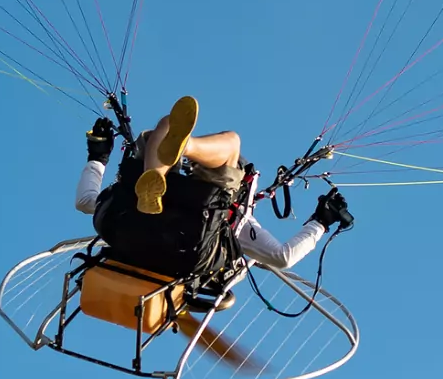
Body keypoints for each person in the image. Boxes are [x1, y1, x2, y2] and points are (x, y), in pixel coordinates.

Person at [73, 95, 353, 273]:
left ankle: (157, 169)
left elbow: (85, 201)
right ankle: (188, 147)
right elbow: (283, 257)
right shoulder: (240, 225)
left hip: (124, 223)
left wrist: (98, 157)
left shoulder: (119, 202)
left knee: (167, 122)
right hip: (191, 241)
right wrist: (321, 222)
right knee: (232, 142)